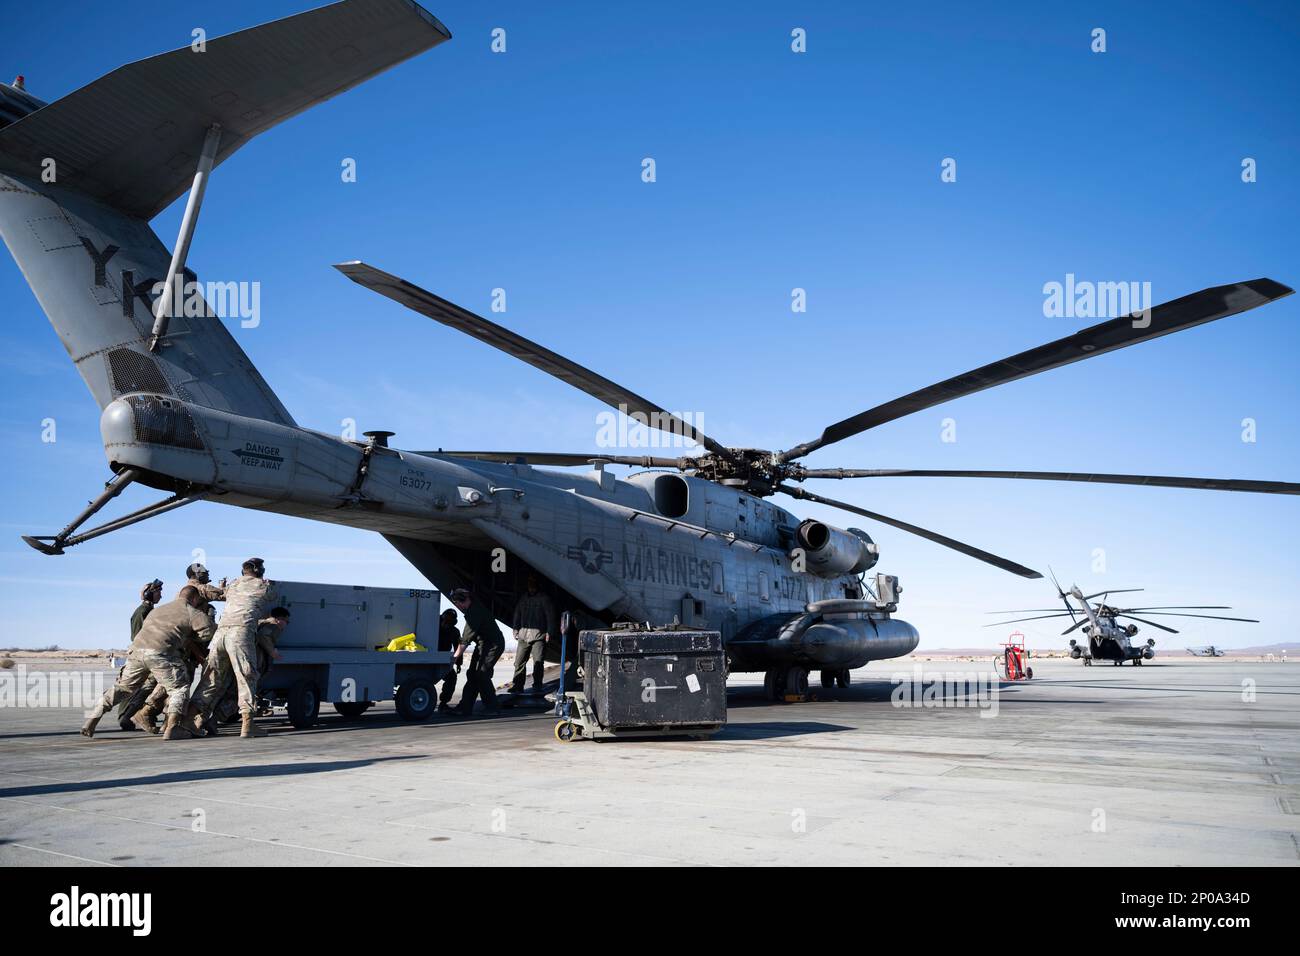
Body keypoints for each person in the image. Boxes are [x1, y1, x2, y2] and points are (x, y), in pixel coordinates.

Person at [81, 585, 215, 740]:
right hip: (161, 653)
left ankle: (92, 719)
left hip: (136, 652)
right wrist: (188, 637)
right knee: (179, 688)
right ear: (195, 598)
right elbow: (207, 633)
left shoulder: (157, 610)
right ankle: (173, 728)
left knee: (122, 688)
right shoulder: (192, 611)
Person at [184, 557, 277, 739]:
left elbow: (221, 593)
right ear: (258, 570)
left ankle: (192, 720)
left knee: (211, 678)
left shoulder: (233, 585)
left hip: (220, 634)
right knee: (246, 676)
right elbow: (273, 595)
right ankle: (248, 724)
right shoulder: (262, 586)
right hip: (240, 633)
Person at [116, 579, 163, 730]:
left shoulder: (150, 611)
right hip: (142, 653)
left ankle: (142, 714)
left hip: (147, 652)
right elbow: (138, 636)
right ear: (149, 594)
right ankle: (126, 716)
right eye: (158, 592)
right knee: (138, 686)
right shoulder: (142, 612)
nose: (160, 596)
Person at [449, 588, 503, 717]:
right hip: (482, 645)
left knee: (482, 675)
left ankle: (492, 707)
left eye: (458, 603)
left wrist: (454, 658)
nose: (458, 607)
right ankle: (464, 707)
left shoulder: (474, 612)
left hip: (493, 645)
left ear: (463, 601)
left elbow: (465, 640)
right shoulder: (473, 607)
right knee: (472, 674)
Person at [509, 574, 557, 696]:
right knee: (519, 662)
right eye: (529, 584)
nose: (531, 587)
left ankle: (537, 685)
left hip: (538, 636)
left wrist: (549, 632)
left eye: (533, 584)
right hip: (523, 635)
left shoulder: (544, 599)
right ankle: (517, 685)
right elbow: (517, 613)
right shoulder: (523, 598)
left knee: (538, 662)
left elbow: (550, 617)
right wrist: (515, 629)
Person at [435, 608, 462, 713]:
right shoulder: (431, 627)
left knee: (451, 678)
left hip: (442, 661)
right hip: (428, 660)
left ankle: (443, 704)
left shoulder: (454, 632)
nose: (446, 624)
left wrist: (458, 663)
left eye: (449, 622)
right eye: (445, 621)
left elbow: (458, 648)